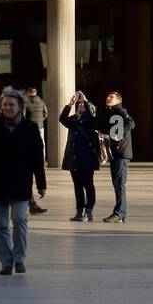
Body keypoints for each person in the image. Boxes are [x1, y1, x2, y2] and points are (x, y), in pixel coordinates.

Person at [0, 87, 48, 276]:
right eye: (5, 104)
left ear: (20, 107)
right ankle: (6, 262)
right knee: (1, 224)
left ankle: (19, 258)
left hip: (20, 183)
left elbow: (37, 158)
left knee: (20, 219)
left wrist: (41, 182)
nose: (7, 107)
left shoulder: (30, 129)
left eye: (11, 104)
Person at [60, 90, 99, 222]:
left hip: (87, 158)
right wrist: (70, 104)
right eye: (80, 104)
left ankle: (89, 210)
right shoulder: (73, 119)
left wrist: (86, 100)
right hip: (74, 158)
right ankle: (79, 210)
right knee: (77, 185)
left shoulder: (90, 120)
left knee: (88, 184)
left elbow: (94, 115)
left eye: (83, 104)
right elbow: (62, 119)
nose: (81, 105)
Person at [99, 91, 135, 224]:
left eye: (111, 97)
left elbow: (131, 123)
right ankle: (122, 213)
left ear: (118, 100)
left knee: (119, 184)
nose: (108, 98)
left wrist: (120, 134)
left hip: (122, 153)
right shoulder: (108, 113)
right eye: (107, 96)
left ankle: (119, 213)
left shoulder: (120, 111)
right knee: (117, 184)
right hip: (114, 153)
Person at [25, 86, 50, 164]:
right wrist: (41, 120)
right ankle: (42, 158)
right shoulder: (42, 102)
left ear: (29, 93)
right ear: (35, 93)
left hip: (30, 126)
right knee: (41, 142)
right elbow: (46, 113)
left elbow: (23, 115)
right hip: (40, 126)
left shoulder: (26, 103)